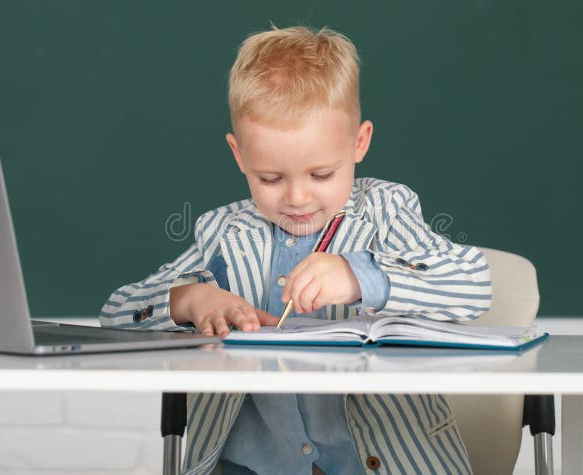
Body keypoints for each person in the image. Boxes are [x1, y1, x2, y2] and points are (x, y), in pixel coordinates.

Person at [100, 25, 492, 474]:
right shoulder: (224, 232)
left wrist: (359, 275)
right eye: (270, 178)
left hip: (383, 461)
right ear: (239, 155)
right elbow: (116, 314)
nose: (297, 198)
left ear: (359, 143)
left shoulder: (387, 209)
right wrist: (189, 300)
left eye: (322, 174)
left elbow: (473, 284)